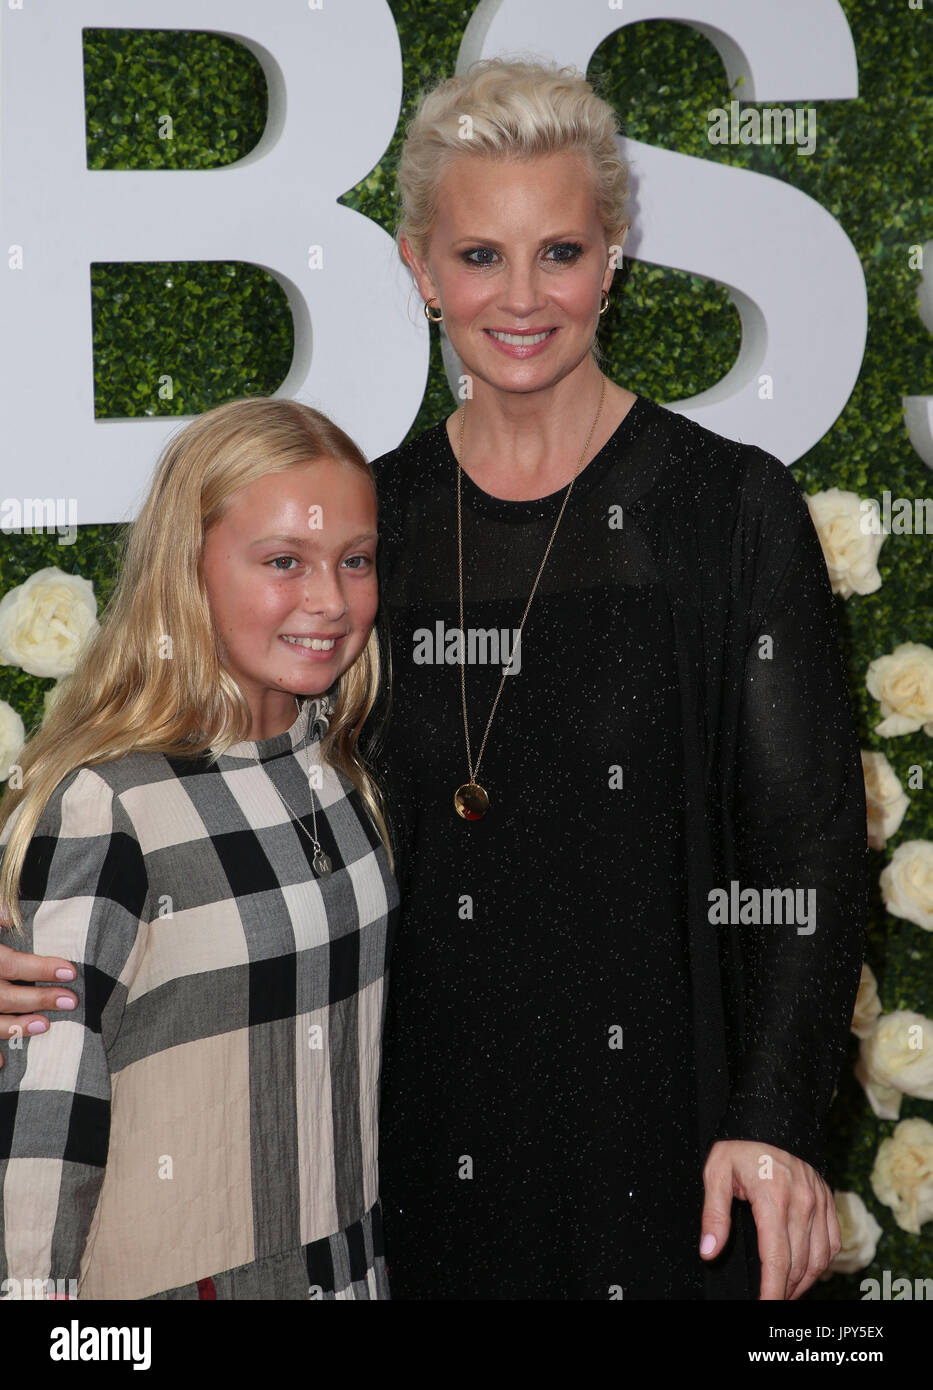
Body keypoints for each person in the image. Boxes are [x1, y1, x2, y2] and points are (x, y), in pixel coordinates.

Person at [0, 58, 868, 1301]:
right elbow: (184, 763)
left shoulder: (728, 511)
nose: (521, 298)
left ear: (613, 256)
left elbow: (812, 850)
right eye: (477, 258)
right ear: (419, 268)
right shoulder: (373, 524)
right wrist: (35, 931)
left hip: (674, 1144)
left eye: (560, 251)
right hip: (405, 1163)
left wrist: (775, 1119)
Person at [0, 397, 398, 1299]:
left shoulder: (341, 770)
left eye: (355, 561)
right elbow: (46, 1116)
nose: (330, 601)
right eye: (284, 562)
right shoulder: (111, 800)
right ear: (188, 569)